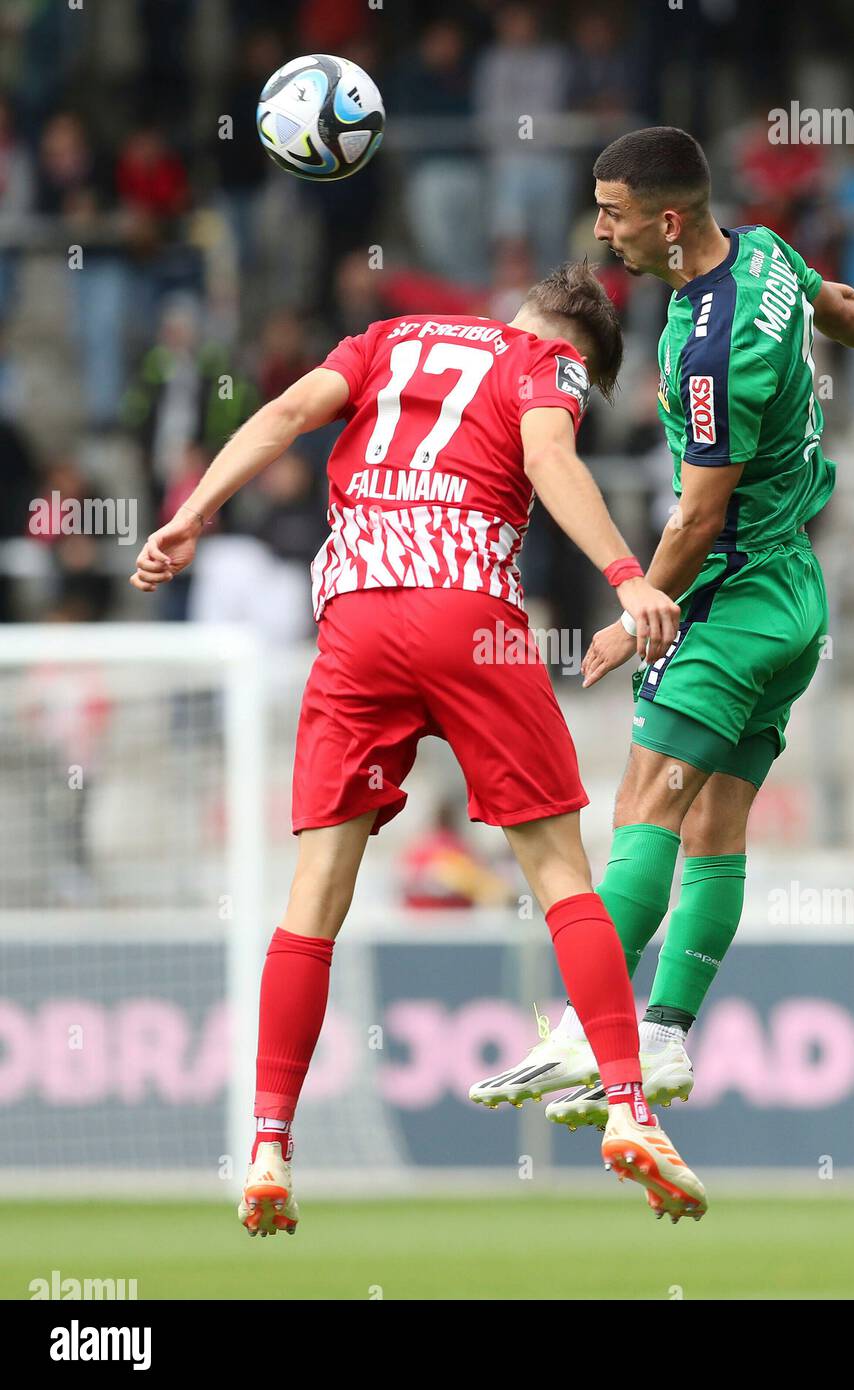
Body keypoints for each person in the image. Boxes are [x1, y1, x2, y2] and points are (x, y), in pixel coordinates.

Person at [130, 261, 708, 1232]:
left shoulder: (386, 340)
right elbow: (547, 459)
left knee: (314, 890)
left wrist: (192, 513)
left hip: (353, 616)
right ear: (574, 352)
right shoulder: (543, 364)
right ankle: (625, 1105)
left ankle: (268, 1143)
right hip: (466, 614)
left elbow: (280, 415)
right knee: (560, 870)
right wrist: (624, 574)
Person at [472, 126, 854, 1133]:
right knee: (715, 823)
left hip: (729, 601)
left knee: (646, 804)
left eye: (611, 211)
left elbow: (697, 515)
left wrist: (634, 609)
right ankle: (665, 1030)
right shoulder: (769, 254)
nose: (599, 229)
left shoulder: (708, 351)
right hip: (792, 598)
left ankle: (583, 1026)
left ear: (668, 217)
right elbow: (840, 305)